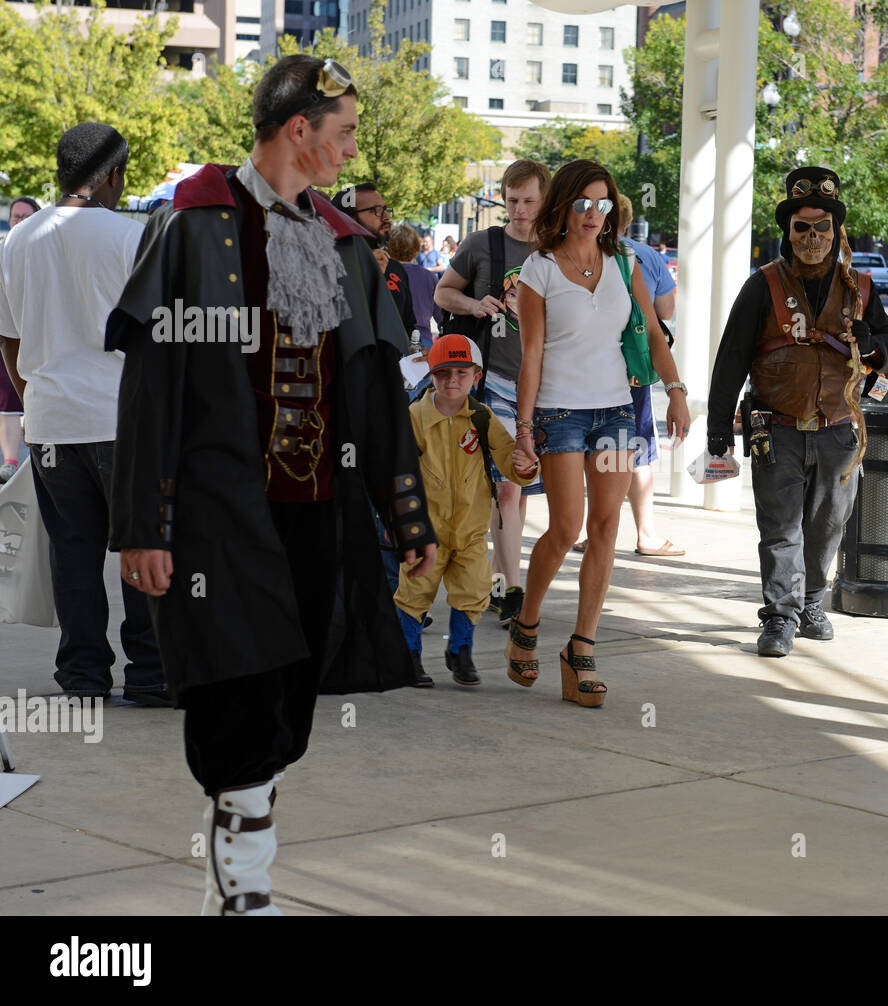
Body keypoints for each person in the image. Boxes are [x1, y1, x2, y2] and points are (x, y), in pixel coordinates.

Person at [107, 55, 438, 915]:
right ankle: (245, 894)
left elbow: (372, 393)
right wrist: (142, 524)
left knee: (287, 711)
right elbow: (152, 390)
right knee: (239, 707)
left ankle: (244, 848)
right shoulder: (197, 227)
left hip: (317, 514)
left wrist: (407, 517)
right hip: (221, 518)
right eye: (347, 132)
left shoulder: (342, 240)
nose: (352, 148)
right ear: (301, 130)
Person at [506, 159, 689, 706]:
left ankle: (580, 649)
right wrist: (523, 430)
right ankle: (527, 625)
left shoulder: (623, 261)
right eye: (583, 203)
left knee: (606, 527)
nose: (593, 213)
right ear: (563, 205)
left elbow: (654, 336)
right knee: (565, 528)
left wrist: (676, 392)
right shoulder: (537, 269)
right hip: (560, 413)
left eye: (603, 203)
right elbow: (531, 355)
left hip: (614, 412)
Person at [0, 124, 166, 704]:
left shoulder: (17, 241)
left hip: (51, 423)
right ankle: (149, 673)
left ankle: (82, 676)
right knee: (144, 550)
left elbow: (9, 340)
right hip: (124, 420)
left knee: (74, 557)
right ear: (115, 175)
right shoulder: (134, 237)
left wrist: (35, 399)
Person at [707, 167, 888, 658]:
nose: (812, 238)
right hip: (777, 428)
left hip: (839, 429)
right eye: (801, 227)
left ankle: (813, 599)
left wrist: (872, 343)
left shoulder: (861, 287)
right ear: (787, 231)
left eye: (822, 227)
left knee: (830, 522)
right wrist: (717, 431)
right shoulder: (763, 286)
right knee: (780, 527)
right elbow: (731, 358)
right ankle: (779, 616)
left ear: (837, 232)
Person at [435, 159, 550, 627]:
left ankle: (502, 579)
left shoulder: (560, 249)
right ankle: (513, 589)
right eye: (512, 200)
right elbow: (444, 293)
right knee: (506, 489)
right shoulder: (483, 244)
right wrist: (474, 303)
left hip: (547, 387)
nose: (520, 210)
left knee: (519, 493)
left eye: (529, 201)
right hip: (495, 382)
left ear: (545, 200)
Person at [394, 334, 532, 686]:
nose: (452, 380)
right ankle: (407, 655)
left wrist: (526, 466)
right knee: (414, 593)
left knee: (473, 591)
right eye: (443, 373)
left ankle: (460, 652)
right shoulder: (414, 418)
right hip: (425, 531)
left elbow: (509, 463)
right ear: (430, 376)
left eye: (461, 372)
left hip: (470, 530)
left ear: (477, 376)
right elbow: (399, 471)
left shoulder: (483, 419)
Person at [573, 192, 683, 557]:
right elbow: (665, 312)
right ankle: (645, 533)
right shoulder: (645, 256)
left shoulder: (577, 253)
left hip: (586, 373)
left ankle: (598, 530)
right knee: (636, 449)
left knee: (598, 454)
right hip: (632, 371)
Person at [331, 182, 418, 339]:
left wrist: (415, 349)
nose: (387, 217)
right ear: (347, 218)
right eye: (376, 211)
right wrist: (366, 277)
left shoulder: (396, 268)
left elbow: (408, 326)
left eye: (386, 210)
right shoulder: (330, 266)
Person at [0, 198, 38, 483]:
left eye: (26, 216)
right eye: (15, 216)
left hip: (38, 344)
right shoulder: (3, 251)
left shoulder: (45, 253)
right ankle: (11, 461)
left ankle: (32, 468)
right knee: (9, 405)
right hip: (10, 341)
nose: (19, 221)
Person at [389, 223, 442, 350]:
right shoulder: (429, 277)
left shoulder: (384, 274)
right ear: (417, 247)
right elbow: (440, 316)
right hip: (422, 340)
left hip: (391, 340)